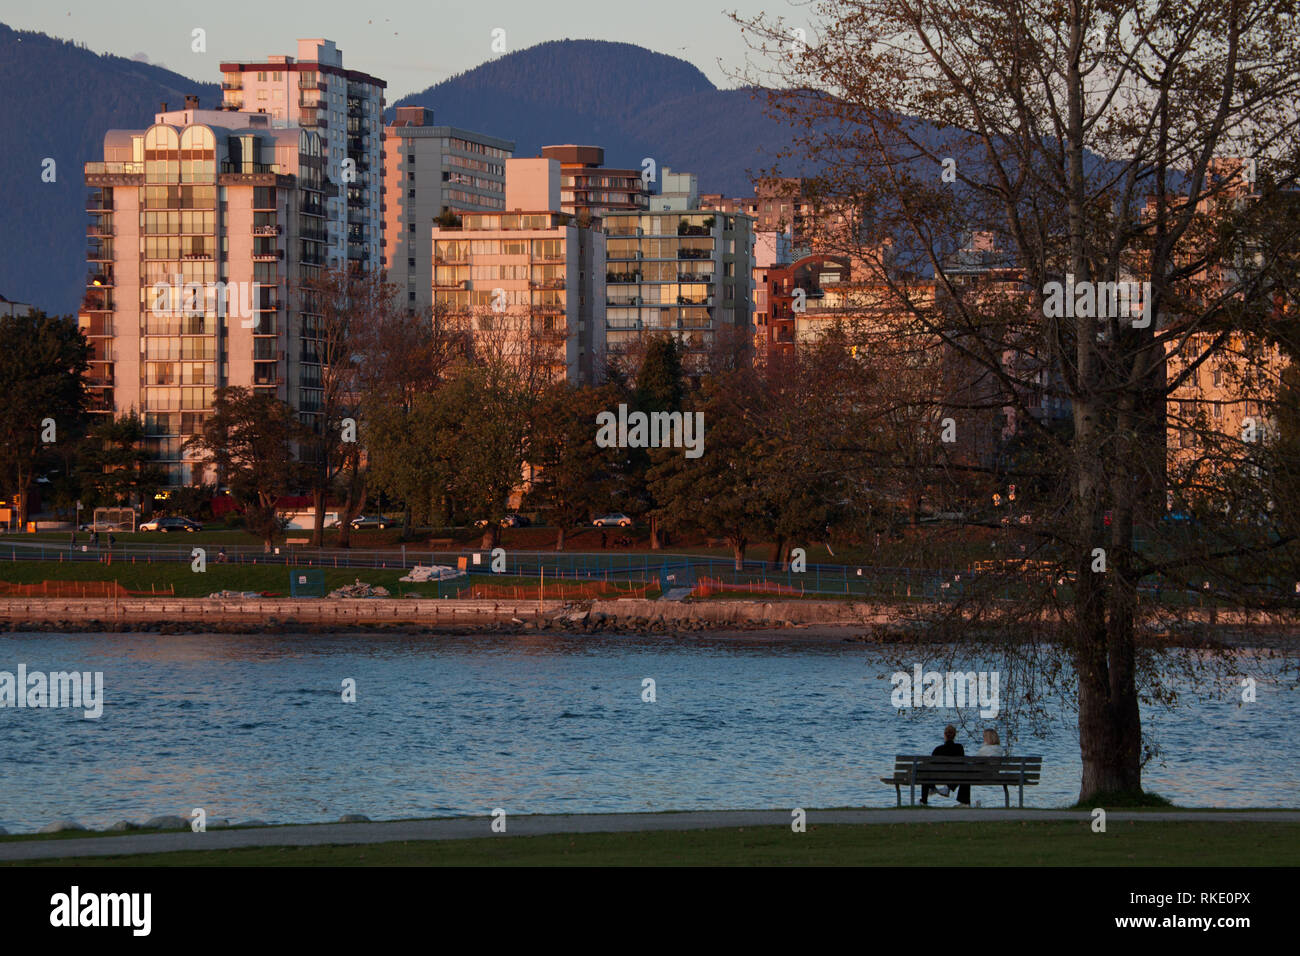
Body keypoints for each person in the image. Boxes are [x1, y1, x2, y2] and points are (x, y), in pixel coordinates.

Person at [920, 724, 971, 806]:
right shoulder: (959, 748)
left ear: (944, 735)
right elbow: (962, 764)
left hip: (938, 777)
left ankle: (924, 800)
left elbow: (930, 765)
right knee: (966, 774)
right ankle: (964, 801)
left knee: (925, 771)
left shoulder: (938, 749)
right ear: (954, 735)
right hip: (955, 778)